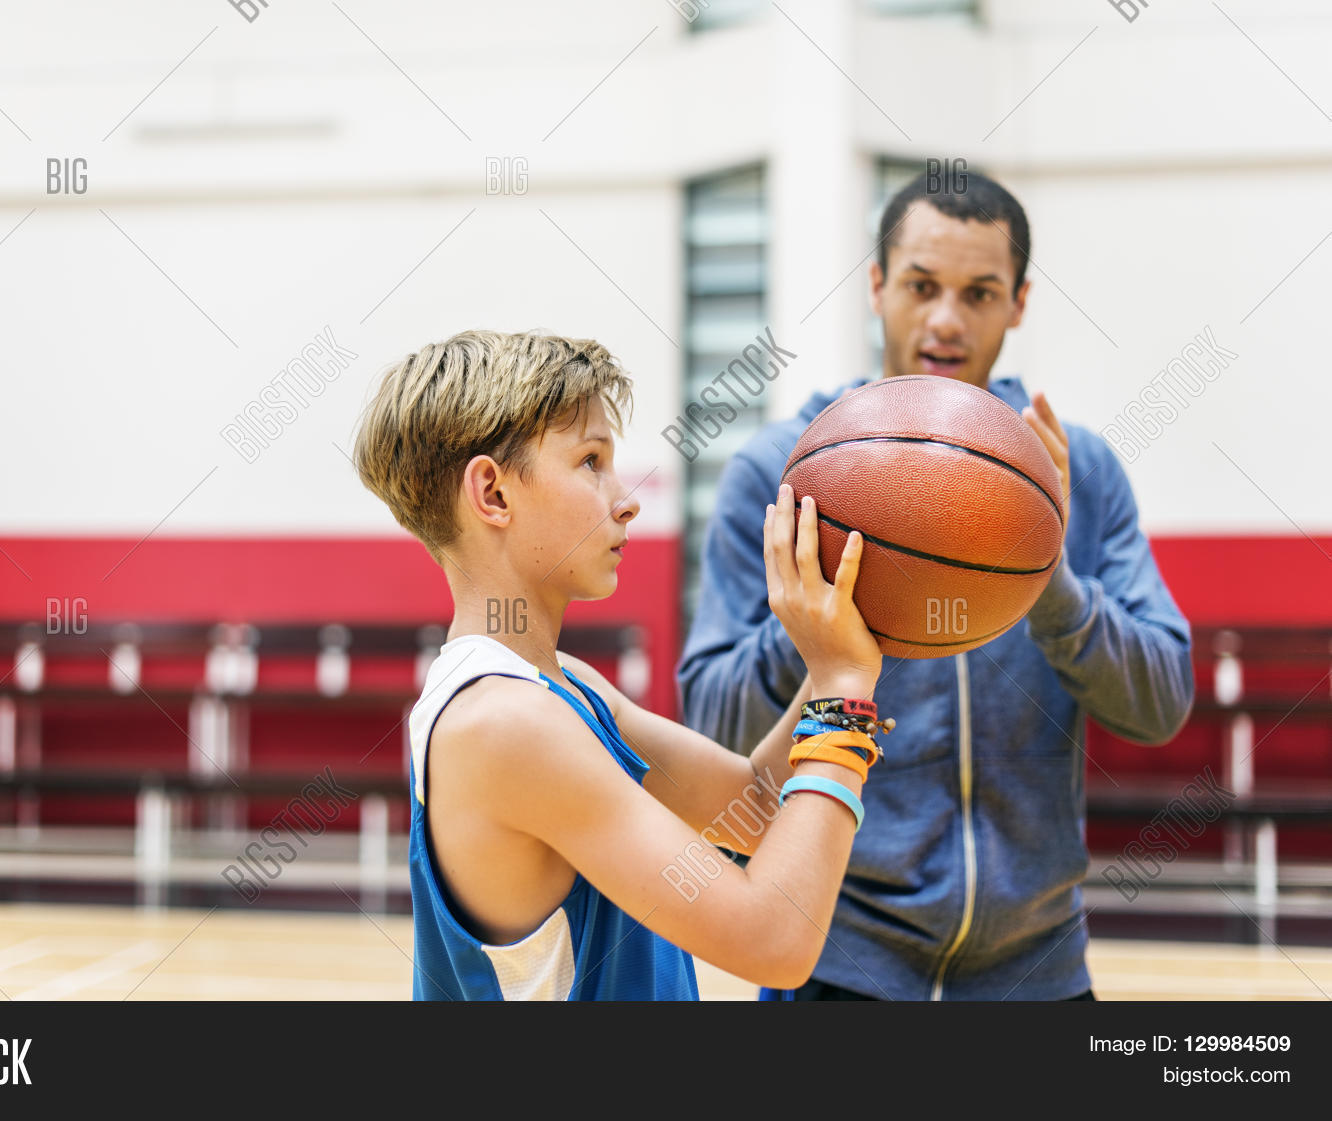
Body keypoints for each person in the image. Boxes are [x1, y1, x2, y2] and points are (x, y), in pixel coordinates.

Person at [677, 171, 1195, 1001]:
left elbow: (1161, 702)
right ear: (877, 287)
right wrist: (813, 617)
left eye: (979, 292)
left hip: (1038, 969)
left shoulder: (1077, 472)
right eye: (922, 286)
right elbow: (712, 725)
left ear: (1019, 302)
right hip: (837, 963)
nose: (947, 320)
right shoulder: (782, 472)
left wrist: (1050, 580)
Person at [353, 329, 887, 1000]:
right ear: (492, 493)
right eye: (591, 461)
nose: (626, 498)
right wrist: (841, 694)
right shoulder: (506, 724)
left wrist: (841, 648)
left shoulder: (564, 685)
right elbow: (774, 942)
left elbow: (754, 804)